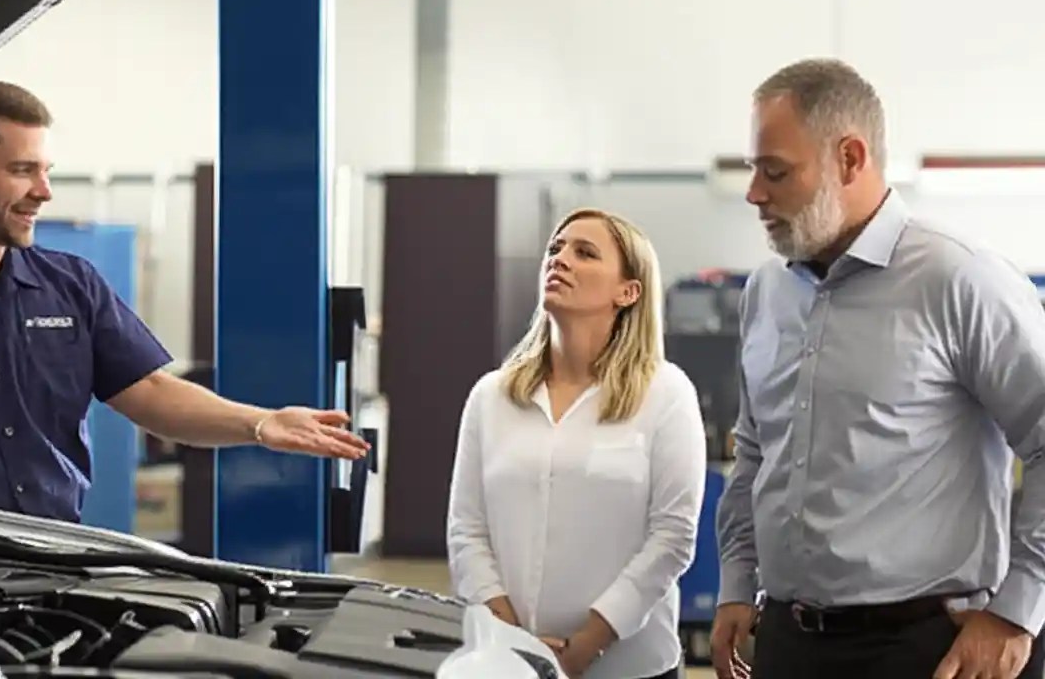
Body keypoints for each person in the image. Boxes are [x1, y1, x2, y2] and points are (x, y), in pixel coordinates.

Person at [0, 78, 368, 523]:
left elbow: (153, 394)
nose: (44, 191)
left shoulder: (72, 287)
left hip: (54, 572)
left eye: (46, 169)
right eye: (23, 170)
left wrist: (260, 424)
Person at [710, 57, 1045, 679]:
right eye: (753, 170)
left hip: (931, 651)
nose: (755, 193)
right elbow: (756, 453)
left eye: (775, 171)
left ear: (851, 159)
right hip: (788, 642)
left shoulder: (961, 280)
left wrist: (1018, 611)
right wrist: (737, 579)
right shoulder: (766, 293)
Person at [446, 207, 706, 679]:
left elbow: (672, 537)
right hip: (508, 663)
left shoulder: (666, 394)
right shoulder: (492, 397)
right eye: (555, 249)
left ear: (628, 292)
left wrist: (588, 645)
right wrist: (513, 640)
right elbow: (467, 531)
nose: (559, 259)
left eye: (584, 253)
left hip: (630, 667)